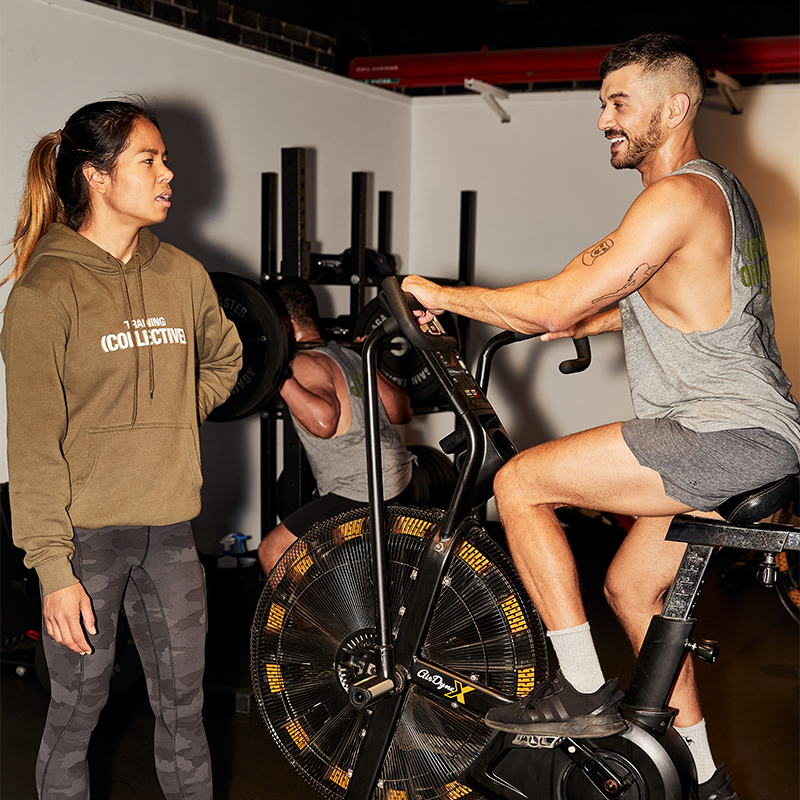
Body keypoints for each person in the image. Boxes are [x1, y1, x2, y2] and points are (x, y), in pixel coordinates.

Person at [401, 33, 800, 800]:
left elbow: (555, 298)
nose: (603, 120)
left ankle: (580, 690)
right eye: (602, 103)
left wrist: (442, 296)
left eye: (619, 103)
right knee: (632, 589)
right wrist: (594, 319)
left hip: (722, 434)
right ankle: (706, 780)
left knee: (520, 484)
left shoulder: (673, 197)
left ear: (674, 107)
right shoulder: (715, 190)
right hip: (753, 434)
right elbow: (689, 296)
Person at [1, 99, 243, 800]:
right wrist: (52, 571)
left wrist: (170, 417)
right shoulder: (46, 291)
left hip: (170, 532)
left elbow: (226, 359)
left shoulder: (184, 276)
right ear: (97, 175)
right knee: (76, 713)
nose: (168, 174)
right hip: (85, 542)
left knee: (185, 713)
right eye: (149, 160)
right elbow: (32, 444)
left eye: (166, 159)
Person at [257, 278, 429, 577]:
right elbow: (401, 411)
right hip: (405, 480)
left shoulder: (302, 363)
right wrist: (367, 360)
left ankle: (319, 612)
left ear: (282, 323)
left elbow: (324, 423)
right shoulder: (350, 355)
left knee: (273, 551)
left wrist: (276, 374)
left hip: (364, 491)